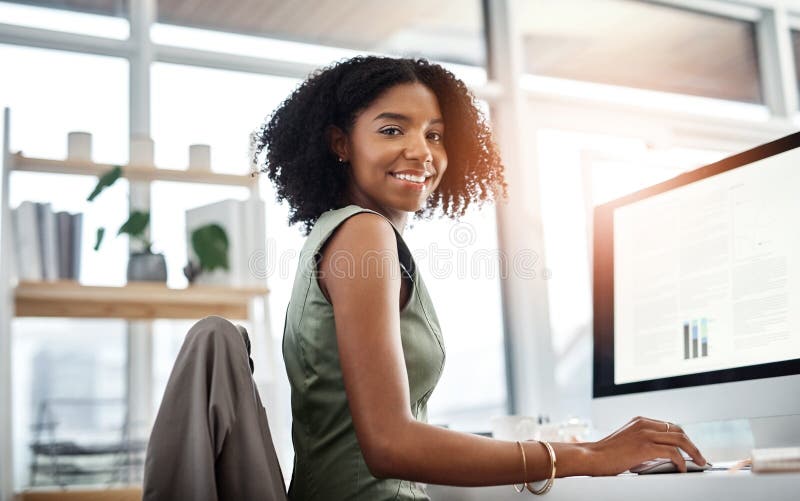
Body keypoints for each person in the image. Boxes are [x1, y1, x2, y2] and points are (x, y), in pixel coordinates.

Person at [145, 56, 707, 501]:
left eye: (435, 135)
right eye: (393, 129)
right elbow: (390, 444)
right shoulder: (363, 235)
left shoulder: (337, 235)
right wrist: (586, 456)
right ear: (341, 143)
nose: (421, 151)